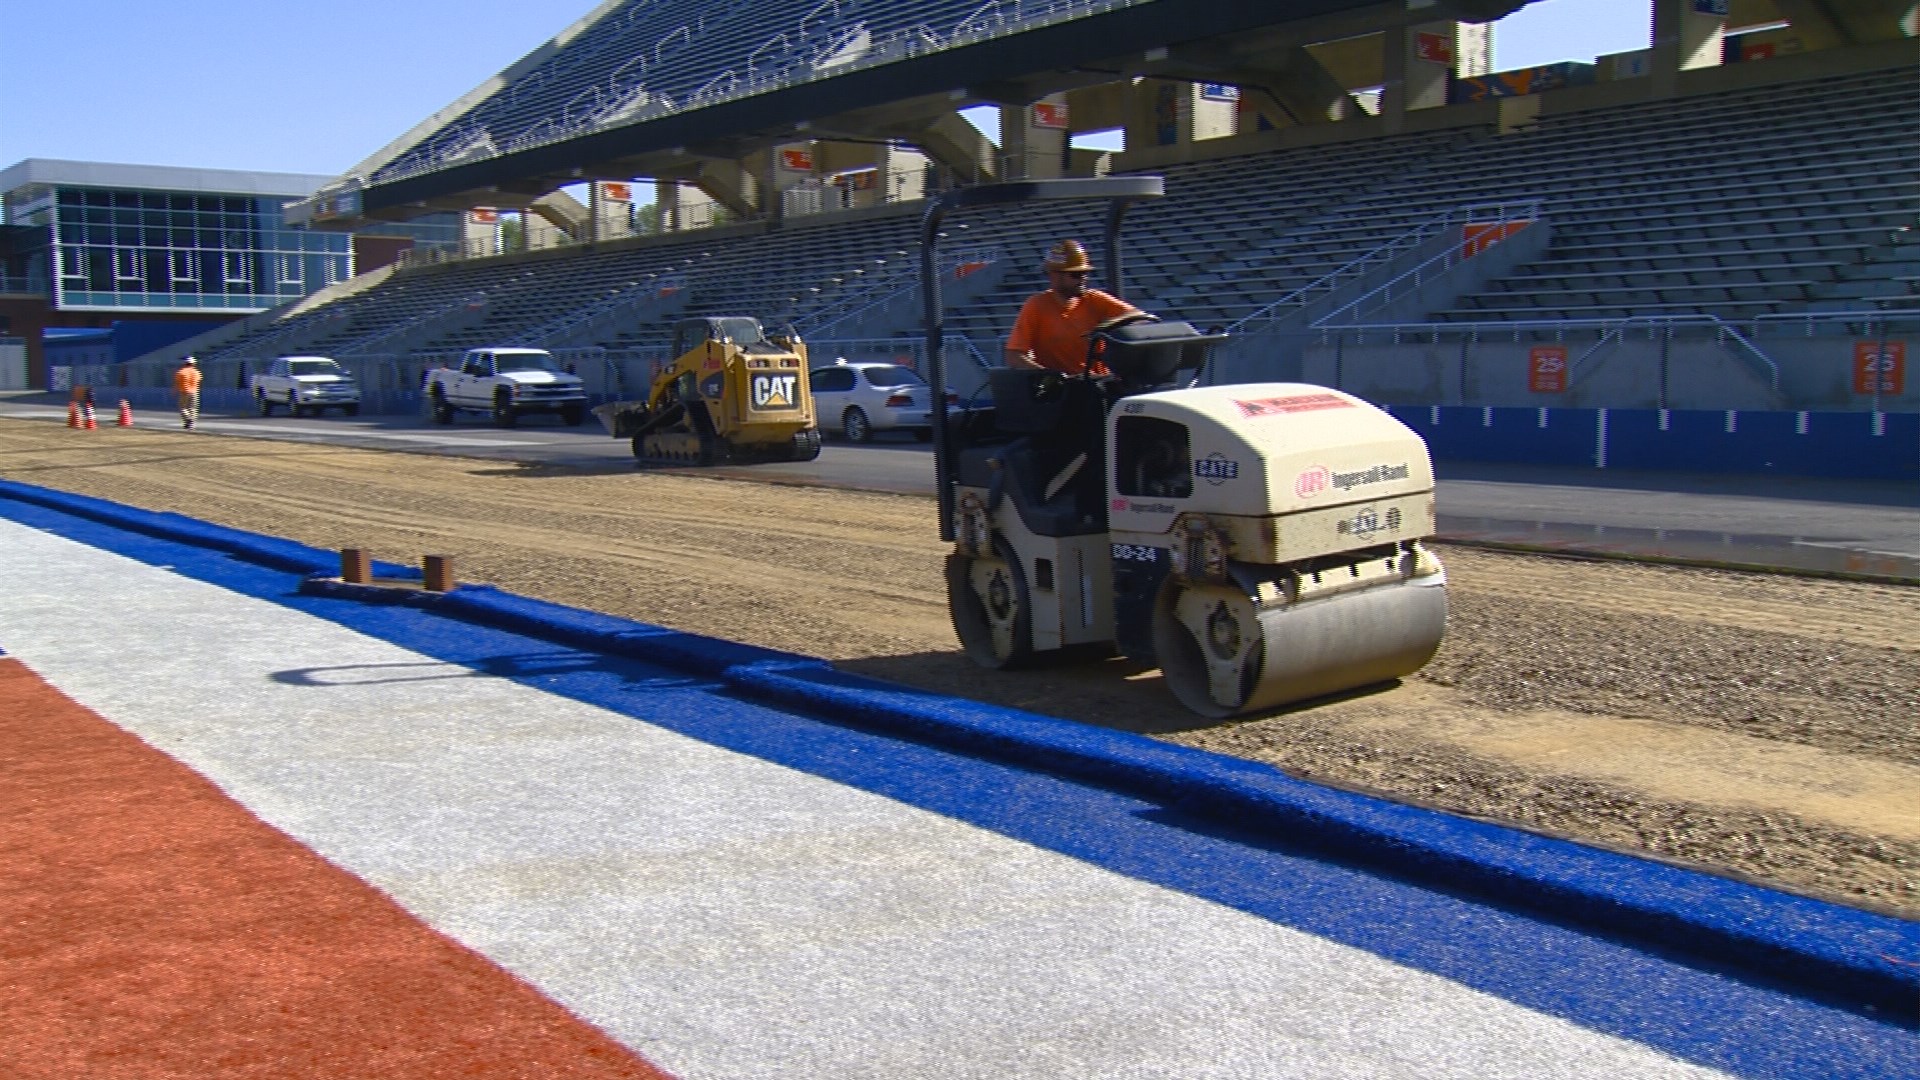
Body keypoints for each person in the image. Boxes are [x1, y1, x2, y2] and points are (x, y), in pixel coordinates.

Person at [1004, 239, 1139, 376]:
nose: (1083, 279)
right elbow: (1014, 356)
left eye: (1085, 273)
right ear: (1054, 275)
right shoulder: (1037, 305)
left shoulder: (1095, 299)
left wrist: (1110, 327)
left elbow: (1138, 318)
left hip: (1098, 381)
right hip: (1064, 386)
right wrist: (1049, 377)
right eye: (1076, 274)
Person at [174, 356, 202, 429]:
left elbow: (177, 382)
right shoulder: (197, 372)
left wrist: (175, 390)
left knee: (183, 408)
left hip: (184, 391)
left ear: (184, 363)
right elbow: (199, 381)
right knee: (193, 408)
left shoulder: (181, 372)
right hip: (194, 391)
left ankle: (188, 420)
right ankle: (191, 424)